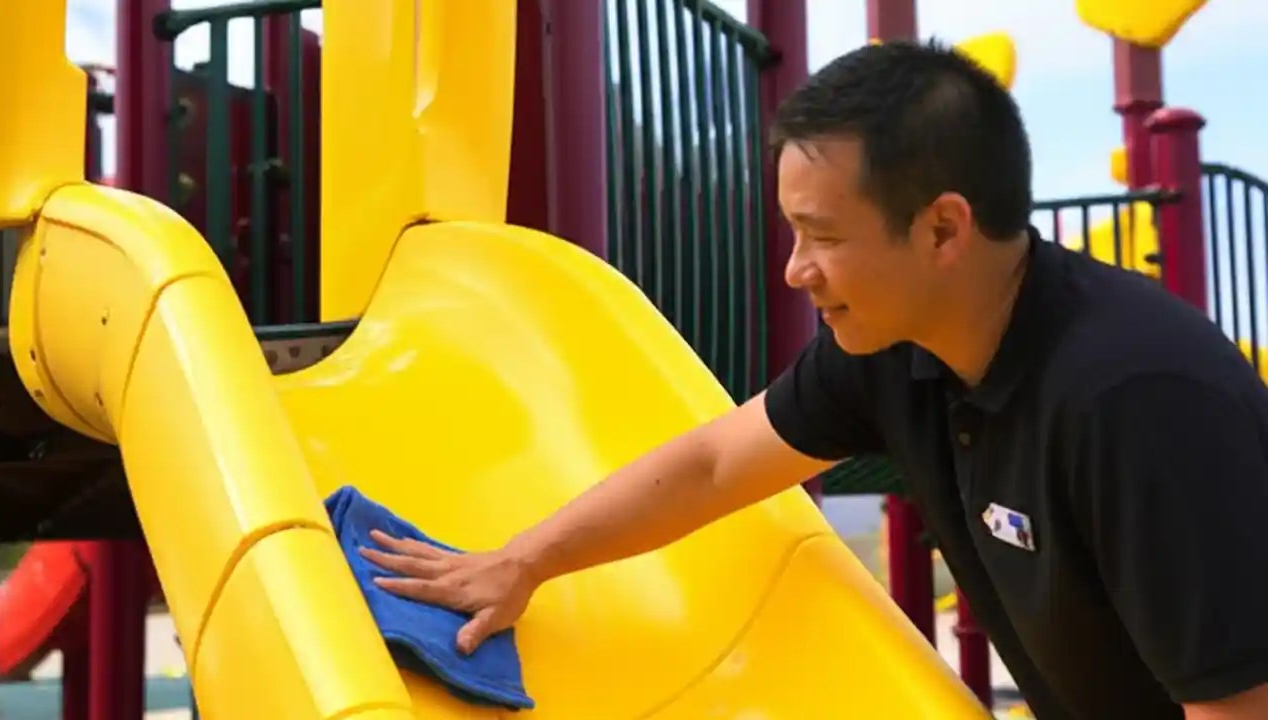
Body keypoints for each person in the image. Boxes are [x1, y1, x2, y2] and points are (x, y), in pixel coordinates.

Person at [358, 40, 1268, 719]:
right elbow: (717, 463)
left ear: (944, 231)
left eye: (823, 236)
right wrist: (524, 563)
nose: (796, 270)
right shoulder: (893, 351)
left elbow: (1235, 706)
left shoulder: (1135, 402)